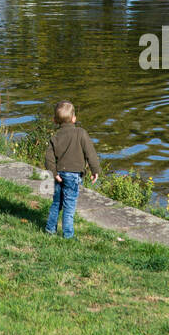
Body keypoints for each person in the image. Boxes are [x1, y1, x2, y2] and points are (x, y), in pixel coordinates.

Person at [43, 101, 100, 241]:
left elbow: (48, 159)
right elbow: (90, 153)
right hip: (73, 176)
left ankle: (50, 229)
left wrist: (54, 174)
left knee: (56, 203)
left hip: (59, 175)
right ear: (74, 118)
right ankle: (68, 235)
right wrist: (95, 170)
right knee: (69, 206)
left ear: (55, 120)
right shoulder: (81, 133)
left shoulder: (55, 138)